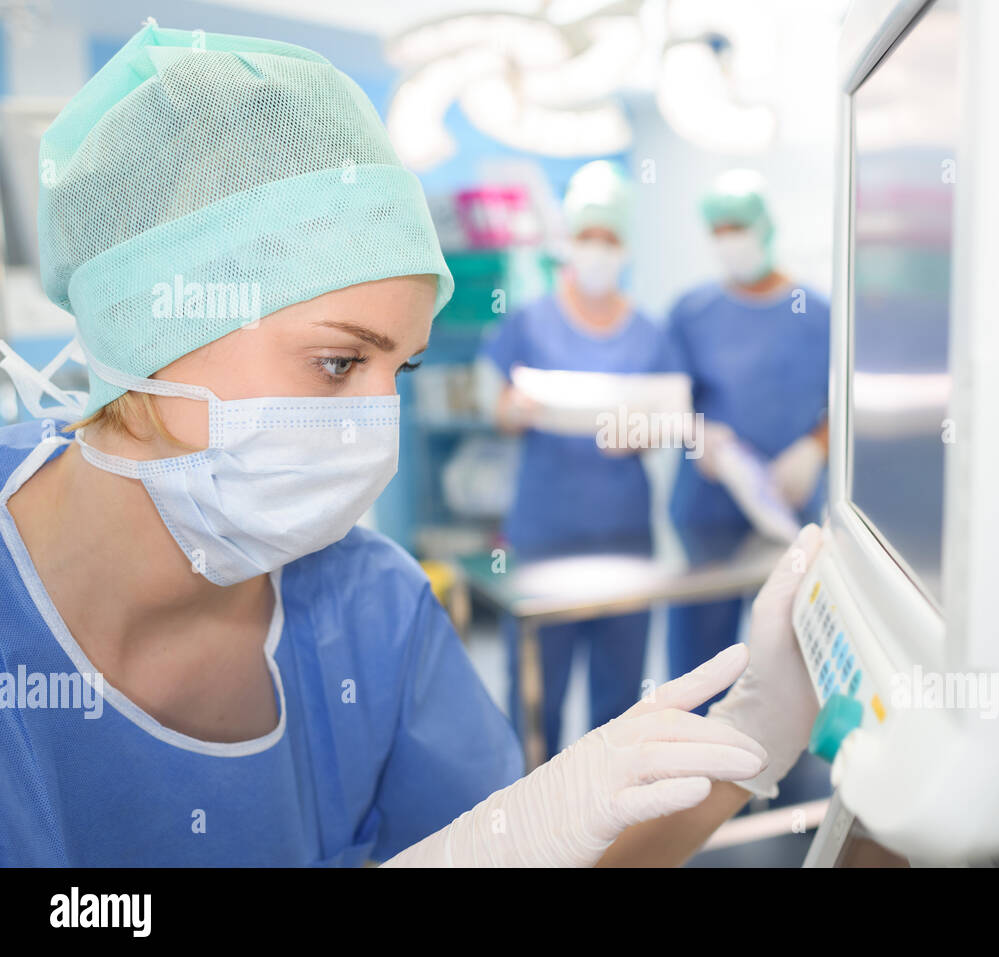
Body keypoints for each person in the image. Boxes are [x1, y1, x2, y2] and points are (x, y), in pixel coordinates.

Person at [0, 24, 823, 867]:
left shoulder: (370, 609)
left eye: (402, 367)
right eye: (338, 361)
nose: (373, 421)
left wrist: (750, 731)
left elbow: (545, 855)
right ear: (152, 322)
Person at [478, 160, 680, 760]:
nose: (596, 250)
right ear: (569, 240)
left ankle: (610, 831)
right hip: (546, 537)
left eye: (609, 238)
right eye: (586, 235)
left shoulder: (650, 333)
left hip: (624, 539)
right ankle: (532, 828)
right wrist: (509, 408)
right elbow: (493, 399)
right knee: (536, 692)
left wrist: (646, 430)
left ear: (626, 246)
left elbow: (675, 414)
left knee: (619, 701)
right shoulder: (531, 322)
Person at [667, 169, 832, 713]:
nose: (729, 238)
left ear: (765, 227)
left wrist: (817, 446)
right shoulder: (692, 314)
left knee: (787, 664)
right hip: (706, 515)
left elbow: (848, 400)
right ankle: (689, 784)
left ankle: (773, 786)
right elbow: (667, 402)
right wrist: (697, 434)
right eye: (719, 229)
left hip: (789, 514)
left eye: (739, 225)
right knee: (699, 672)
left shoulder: (817, 313)